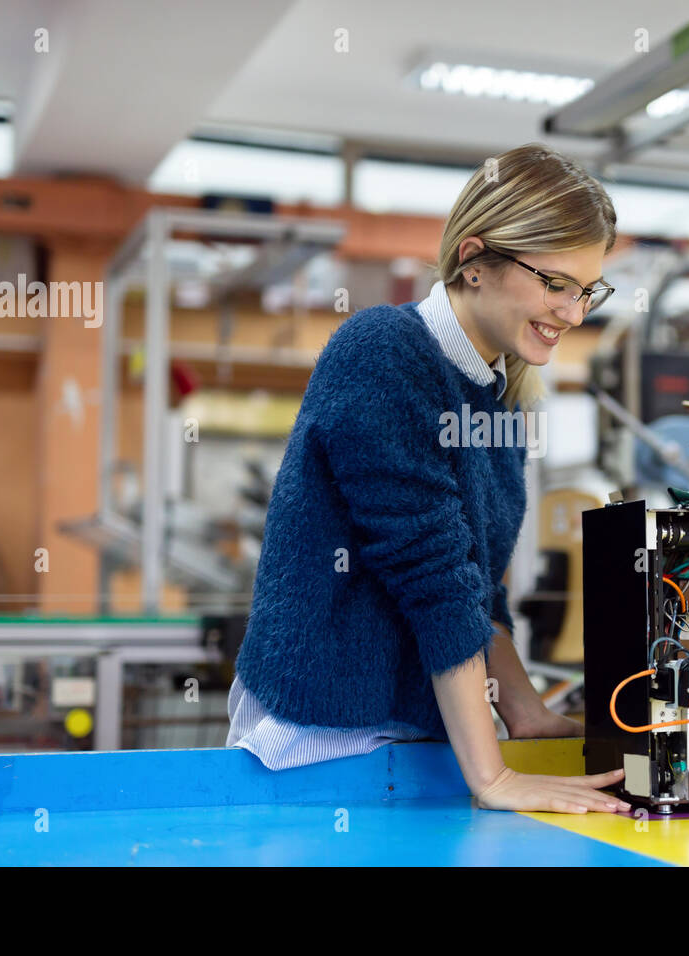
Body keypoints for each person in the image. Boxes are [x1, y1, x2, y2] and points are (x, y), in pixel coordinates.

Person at [230, 144, 631, 813]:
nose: (575, 312)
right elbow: (436, 581)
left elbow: (476, 587)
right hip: (321, 739)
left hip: (419, 743)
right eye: (556, 283)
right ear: (475, 260)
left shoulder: (500, 393)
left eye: (588, 289)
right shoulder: (383, 353)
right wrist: (495, 777)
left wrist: (526, 716)